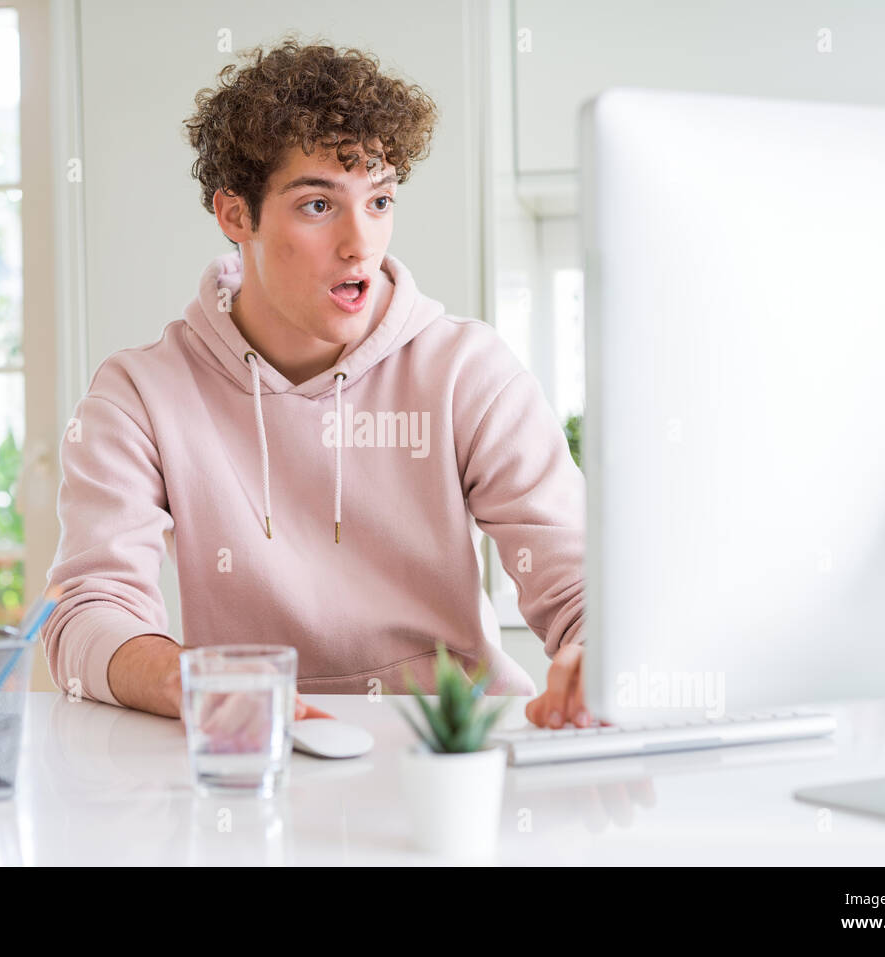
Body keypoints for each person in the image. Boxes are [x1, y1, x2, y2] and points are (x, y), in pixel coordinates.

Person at [40, 36, 592, 732]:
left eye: (380, 200)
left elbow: (575, 582)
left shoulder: (467, 371)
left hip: (449, 757)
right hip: (252, 755)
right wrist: (190, 681)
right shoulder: (139, 394)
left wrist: (594, 652)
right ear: (236, 215)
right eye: (317, 206)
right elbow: (86, 616)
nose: (361, 242)